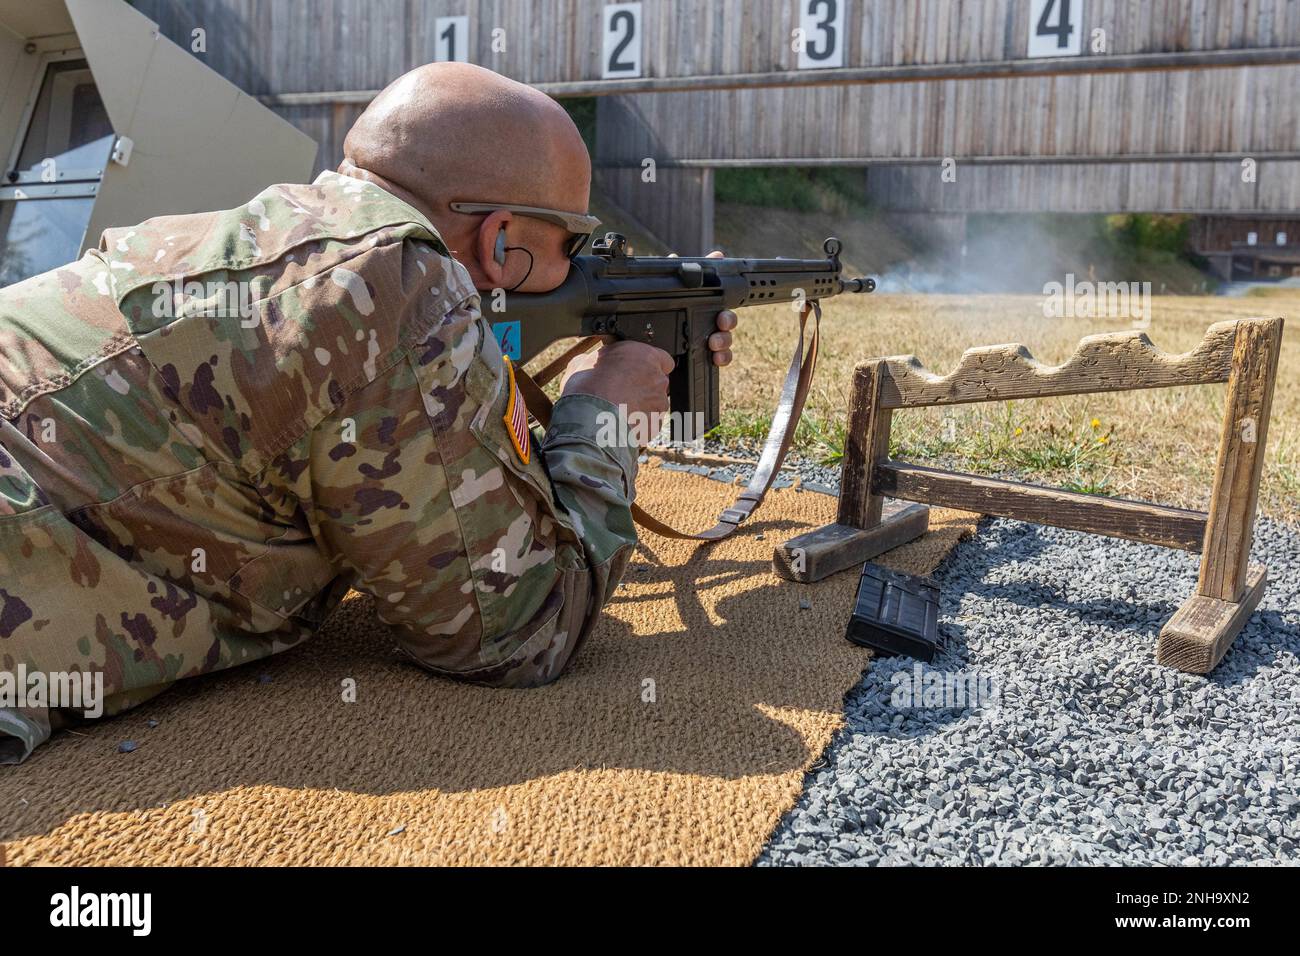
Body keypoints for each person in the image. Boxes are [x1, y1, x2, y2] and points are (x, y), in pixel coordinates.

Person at [0, 62, 737, 764]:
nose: (579, 263)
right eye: (572, 242)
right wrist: (601, 411)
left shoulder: (275, 235)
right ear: (500, 239)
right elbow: (519, 631)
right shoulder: (399, 285)